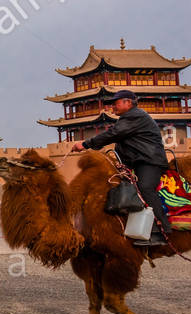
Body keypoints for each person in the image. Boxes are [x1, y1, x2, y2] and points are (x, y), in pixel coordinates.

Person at [71, 89, 172, 246]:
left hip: (149, 161)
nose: (113, 107)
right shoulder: (127, 119)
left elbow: (113, 134)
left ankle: (163, 231)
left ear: (128, 103)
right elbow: (122, 143)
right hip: (136, 162)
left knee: (145, 188)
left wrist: (85, 144)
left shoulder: (135, 116)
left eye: (116, 103)